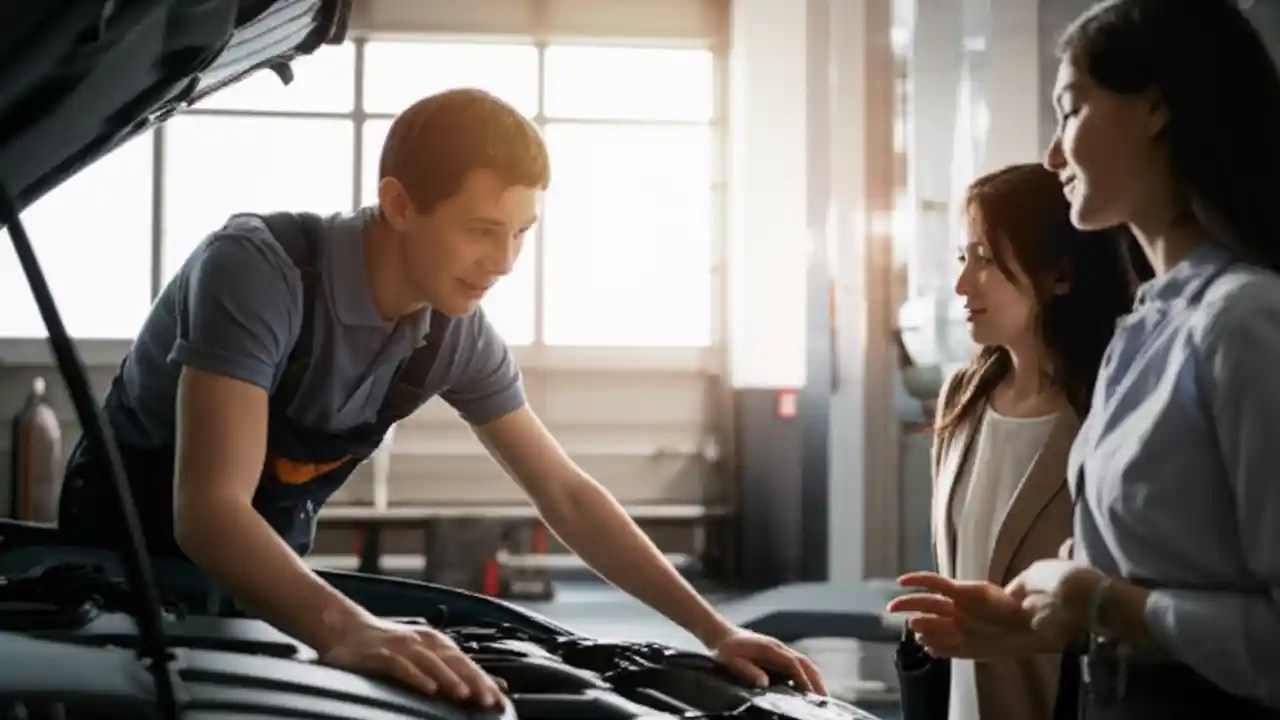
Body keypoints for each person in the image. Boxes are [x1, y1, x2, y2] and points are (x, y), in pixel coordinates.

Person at [55, 88, 827, 708]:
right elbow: (207, 510)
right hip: (115, 563)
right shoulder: (257, 271)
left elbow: (565, 492)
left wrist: (714, 630)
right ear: (398, 204)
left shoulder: (453, 333)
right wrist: (350, 628)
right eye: (482, 230)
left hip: (266, 573)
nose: (505, 262)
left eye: (521, 233)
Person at [886, 0, 1280, 716]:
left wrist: (1105, 605)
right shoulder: (1145, 330)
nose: (1052, 155)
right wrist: (1034, 619)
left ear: (1155, 107)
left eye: (1069, 110)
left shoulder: (1246, 322)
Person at [888, 163, 1135, 720]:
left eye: (986, 260)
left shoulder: (1105, 413)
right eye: (963, 258)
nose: (962, 285)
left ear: (1060, 276)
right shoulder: (963, 398)